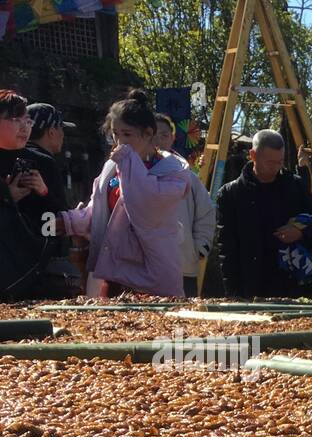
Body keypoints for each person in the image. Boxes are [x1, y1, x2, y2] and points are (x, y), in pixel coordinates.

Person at [57, 90, 189, 298]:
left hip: (154, 274)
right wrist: (67, 221)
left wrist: (128, 162)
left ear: (148, 134)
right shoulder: (113, 167)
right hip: (116, 271)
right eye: (115, 134)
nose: (119, 143)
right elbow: (98, 212)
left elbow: (143, 206)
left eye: (127, 134)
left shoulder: (172, 171)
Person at [215, 130, 312, 299]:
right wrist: (233, 293)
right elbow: (227, 249)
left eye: (280, 162)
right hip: (251, 284)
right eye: (270, 162)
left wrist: (300, 231)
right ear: (253, 155)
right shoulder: (231, 194)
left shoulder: (295, 186)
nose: (276, 167)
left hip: (293, 283)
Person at [17, 103, 80, 297]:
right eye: (61, 129)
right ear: (51, 131)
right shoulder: (45, 161)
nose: (63, 135)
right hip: (42, 258)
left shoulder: (14, 155)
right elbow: (53, 215)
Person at [153, 112, 215, 298]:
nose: (158, 141)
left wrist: (200, 248)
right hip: (146, 267)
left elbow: (206, 212)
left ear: (172, 138)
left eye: (163, 135)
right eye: (152, 135)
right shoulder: (134, 172)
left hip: (184, 266)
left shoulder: (188, 175)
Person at [0, 89, 47, 299]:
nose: (23, 127)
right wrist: (6, 197)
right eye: (14, 118)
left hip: (29, 270)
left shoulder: (41, 160)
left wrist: (44, 192)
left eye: (27, 120)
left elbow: (56, 222)